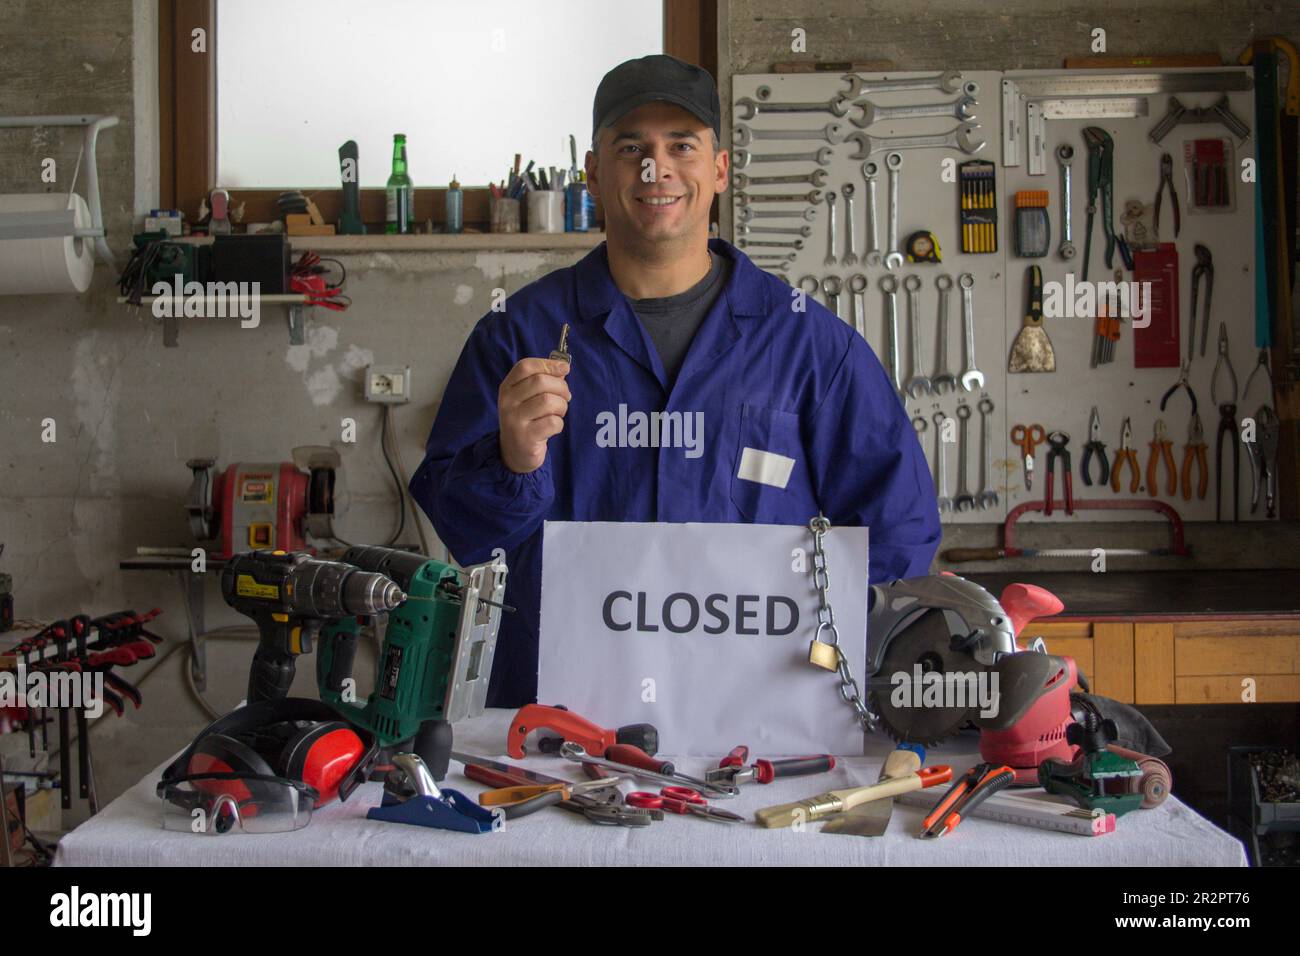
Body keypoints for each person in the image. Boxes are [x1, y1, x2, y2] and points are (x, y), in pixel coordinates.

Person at [410, 54, 939, 707]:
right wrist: (512, 463)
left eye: (680, 146)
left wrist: (823, 661)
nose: (655, 169)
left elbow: (897, 526)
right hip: (558, 719)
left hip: (758, 716)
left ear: (718, 169)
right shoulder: (517, 337)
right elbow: (465, 536)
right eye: (631, 147)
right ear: (594, 175)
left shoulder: (807, 344)